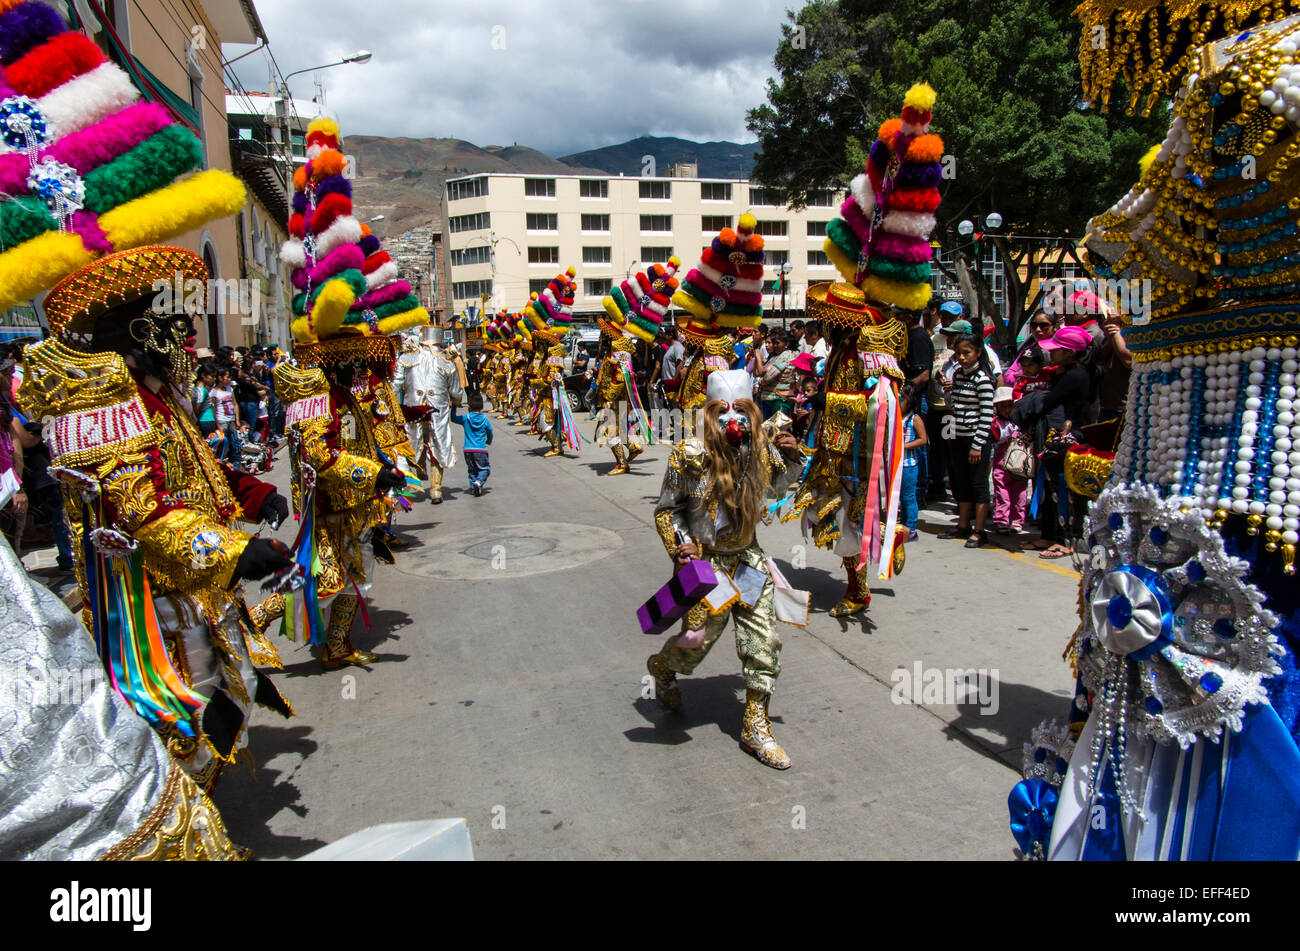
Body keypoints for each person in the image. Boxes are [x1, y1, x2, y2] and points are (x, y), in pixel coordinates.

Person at [20, 247, 295, 788]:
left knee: (213, 716)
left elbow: (196, 469)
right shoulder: (108, 405)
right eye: (179, 323)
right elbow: (142, 514)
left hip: (197, 589)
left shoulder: (161, 395)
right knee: (178, 731)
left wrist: (252, 492)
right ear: (145, 331)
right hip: (155, 604)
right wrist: (233, 552)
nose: (190, 336)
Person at [645, 369, 806, 769]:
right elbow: (667, 511)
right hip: (710, 566)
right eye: (722, 412)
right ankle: (662, 667)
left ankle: (755, 726)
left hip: (748, 561)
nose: (732, 420)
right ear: (708, 413)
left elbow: (777, 492)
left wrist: (791, 457)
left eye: (740, 411)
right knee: (695, 645)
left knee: (764, 641)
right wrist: (680, 545)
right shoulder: (689, 453)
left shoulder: (760, 448)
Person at [938, 333, 996, 548]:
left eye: (966, 353)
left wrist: (977, 445)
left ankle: (980, 530)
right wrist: (947, 391)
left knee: (978, 484)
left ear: (978, 353)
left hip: (975, 439)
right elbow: (954, 407)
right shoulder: (959, 376)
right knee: (960, 482)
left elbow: (986, 415)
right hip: (958, 435)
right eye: (958, 353)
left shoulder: (983, 380)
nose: (961, 358)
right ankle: (963, 525)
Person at [990, 386, 1028, 534]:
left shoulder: (1022, 422)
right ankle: (1001, 519)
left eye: (1010, 405)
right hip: (1001, 463)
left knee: (1020, 492)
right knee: (1002, 492)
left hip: (1020, 462)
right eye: (1003, 406)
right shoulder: (996, 423)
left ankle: (1017, 520)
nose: (1007, 409)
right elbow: (997, 437)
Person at [899, 384, 928, 541]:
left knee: (908, 497)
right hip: (896, 464)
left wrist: (903, 446)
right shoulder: (895, 418)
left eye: (901, 400)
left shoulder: (914, 419)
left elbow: (923, 439)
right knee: (900, 497)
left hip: (909, 464)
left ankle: (911, 528)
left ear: (909, 402)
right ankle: (902, 525)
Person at [452, 392, 493, 495]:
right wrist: (488, 440)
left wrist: (454, 405)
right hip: (480, 450)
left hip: (468, 450)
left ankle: (473, 487)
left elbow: (453, 418)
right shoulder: (485, 420)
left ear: (469, 406)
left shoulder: (466, 418)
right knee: (485, 469)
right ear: (482, 406)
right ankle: (479, 482)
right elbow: (490, 432)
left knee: (472, 470)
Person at [754, 327, 796, 419]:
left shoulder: (786, 356)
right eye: (774, 343)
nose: (775, 346)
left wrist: (762, 382)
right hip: (772, 399)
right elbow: (758, 373)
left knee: (777, 430)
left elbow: (767, 378)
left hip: (780, 400)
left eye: (777, 343)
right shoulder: (777, 356)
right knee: (769, 429)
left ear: (786, 344)